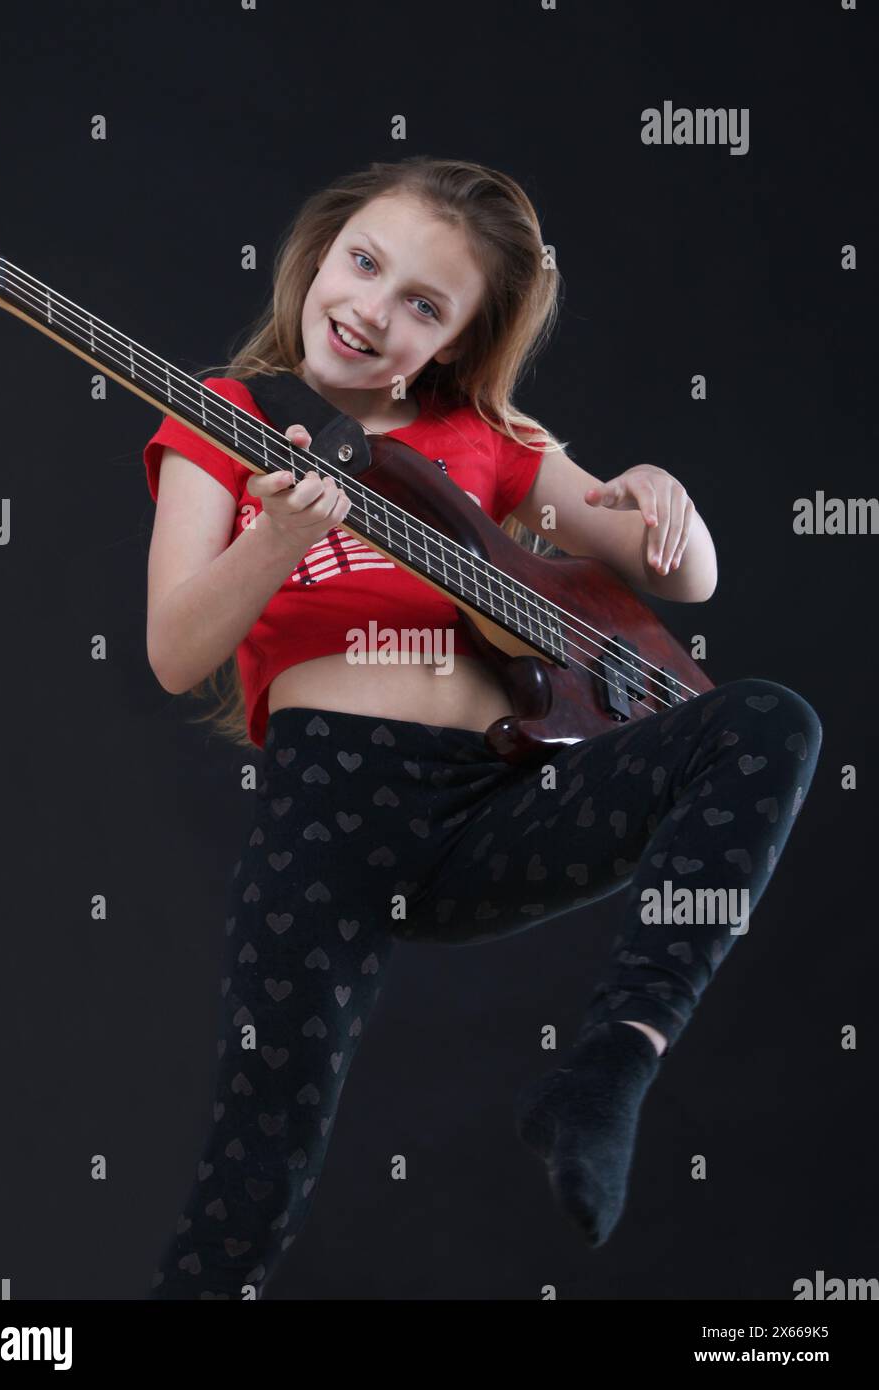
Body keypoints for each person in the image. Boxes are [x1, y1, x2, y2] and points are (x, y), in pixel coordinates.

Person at [141, 156, 822, 1299]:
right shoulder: (228, 414)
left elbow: (684, 579)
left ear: (454, 341)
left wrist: (660, 495)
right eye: (363, 263)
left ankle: (610, 1063)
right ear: (319, 255)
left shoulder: (486, 439)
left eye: (424, 303)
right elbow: (172, 651)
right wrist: (272, 541)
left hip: (496, 804)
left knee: (767, 725)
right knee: (252, 1179)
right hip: (329, 824)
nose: (370, 309)